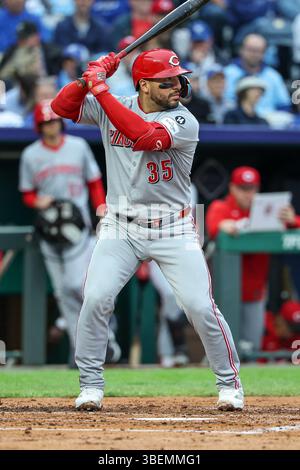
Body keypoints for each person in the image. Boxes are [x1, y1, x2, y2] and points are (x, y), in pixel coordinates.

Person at [51, 48, 244, 412]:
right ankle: (90, 385)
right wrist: (86, 79)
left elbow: (142, 135)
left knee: (200, 306)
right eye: (166, 81)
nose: (177, 85)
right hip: (120, 226)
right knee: (95, 298)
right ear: (143, 85)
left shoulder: (185, 121)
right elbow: (61, 108)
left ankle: (229, 385)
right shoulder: (114, 102)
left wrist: (101, 89)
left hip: (173, 227)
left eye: (178, 78)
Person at [19, 99, 108, 366]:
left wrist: (101, 208)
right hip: (49, 229)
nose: (51, 126)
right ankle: (80, 351)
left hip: (77, 225)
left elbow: (93, 182)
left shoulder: (78, 147)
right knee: (62, 293)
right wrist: (36, 202)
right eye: (46, 122)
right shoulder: (31, 154)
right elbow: (27, 193)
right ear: (39, 126)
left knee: (76, 286)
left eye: (54, 121)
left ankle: (105, 336)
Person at [206, 166, 300, 355]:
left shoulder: (268, 210)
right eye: (243, 189)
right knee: (226, 350)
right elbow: (214, 227)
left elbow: (293, 226)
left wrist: (292, 221)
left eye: (252, 189)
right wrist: (224, 226)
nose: (248, 194)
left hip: (255, 291)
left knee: (253, 347)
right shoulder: (221, 207)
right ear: (232, 188)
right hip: (224, 293)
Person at [224, 34, 290, 116]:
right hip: (237, 122)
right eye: (251, 50)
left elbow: (284, 105)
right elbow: (224, 103)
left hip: (268, 123)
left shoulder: (273, 76)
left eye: (259, 51)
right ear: (241, 49)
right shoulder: (227, 73)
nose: (254, 54)